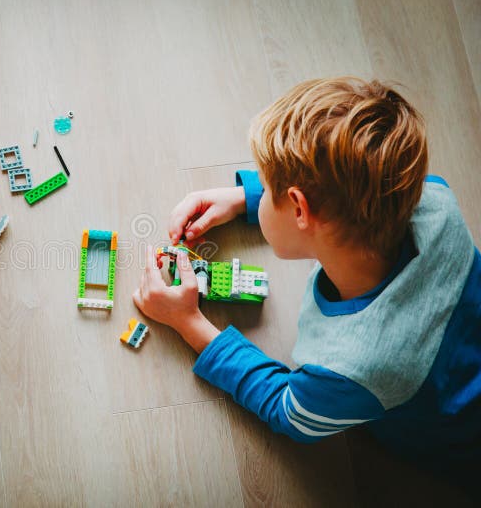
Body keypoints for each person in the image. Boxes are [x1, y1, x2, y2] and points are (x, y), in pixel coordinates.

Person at [133, 77, 480, 494]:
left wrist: (189, 322)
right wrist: (245, 198)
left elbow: (287, 410)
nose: (262, 194)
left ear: (300, 207)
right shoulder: (431, 198)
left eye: (269, 188)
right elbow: (356, 187)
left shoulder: (351, 370)